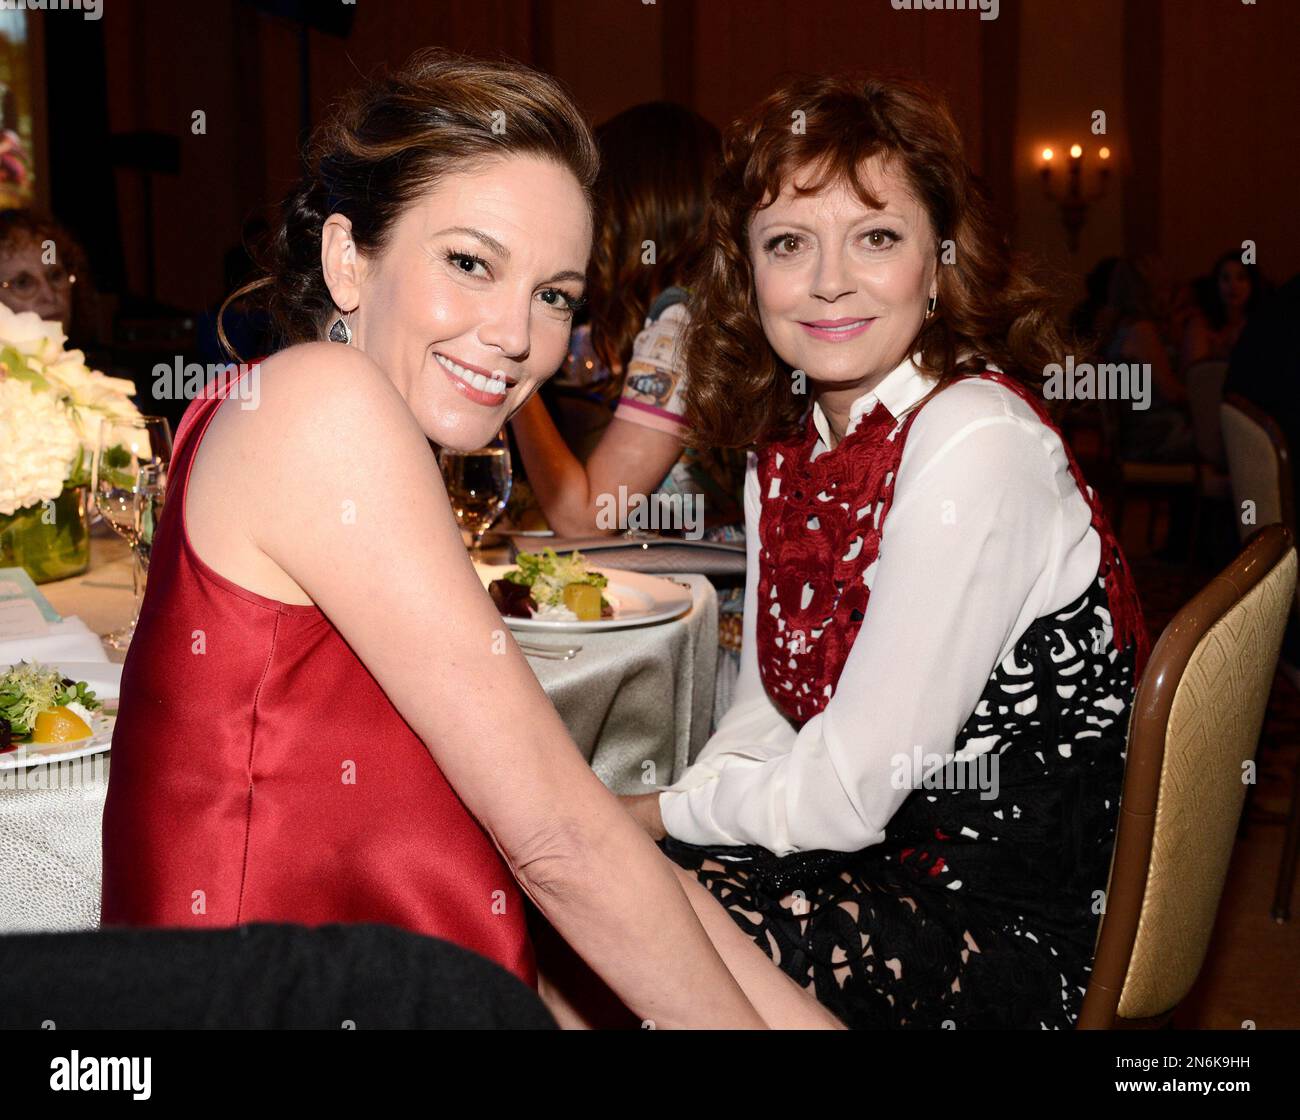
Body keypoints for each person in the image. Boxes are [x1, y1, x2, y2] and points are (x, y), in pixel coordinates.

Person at [100, 48, 841, 1031]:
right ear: (347, 260)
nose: (515, 332)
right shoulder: (323, 407)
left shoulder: (313, 411)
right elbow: (560, 840)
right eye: (470, 263)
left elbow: (566, 844)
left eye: (553, 294)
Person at [619, 72, 1150, 1029]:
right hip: (872, 860)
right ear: (748, 273)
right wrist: (668, 814)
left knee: (619, 923)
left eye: (877, 238)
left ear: (939, 263)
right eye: (789, 244)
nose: (830, 280)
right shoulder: (786, 439)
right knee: (604, 896)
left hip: (998, 920)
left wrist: (647, 818)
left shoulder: (972, 440)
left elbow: (848, 797)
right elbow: (767, 713)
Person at [509, 103, 748, 692]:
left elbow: (585, 515)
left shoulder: (680, 320)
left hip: (711, 630)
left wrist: (514, 376)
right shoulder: (718, 306)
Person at [1179, 249, 1265, 375]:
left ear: (1252, 284)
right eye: (1225, 279)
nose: (1233, 286)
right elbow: (1193, 376)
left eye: (1241, 278)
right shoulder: (1201, 325)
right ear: (1216, 284)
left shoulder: (1261, 325)